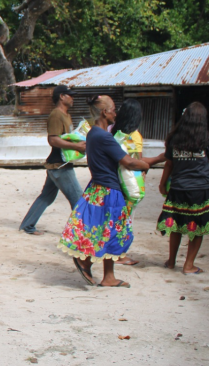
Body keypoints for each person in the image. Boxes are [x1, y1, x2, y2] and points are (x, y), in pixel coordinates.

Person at [59, 95, 149, 288]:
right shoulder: (104, 137)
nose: (116, 113)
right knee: (113, 232)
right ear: (104, 112)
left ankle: (107, 275)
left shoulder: (93, 133)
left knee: (104, 231)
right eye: (113, 109)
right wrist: (146, 163)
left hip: (98, 188)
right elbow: (128, 161)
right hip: (109, 191)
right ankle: (87, 263)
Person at [157, 102, 209, 275]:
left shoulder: (175, 139)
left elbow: (169, 164)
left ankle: (171, 261)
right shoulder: (206, 139)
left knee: (176, 224)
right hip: (200, 189)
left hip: (178, 188)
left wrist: (162, 183)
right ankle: (189, 265)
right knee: (197, 227)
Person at [19, 84, 86, 235]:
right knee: (79, 200)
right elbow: (53, 140)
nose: (73, 98)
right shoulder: (56, 114)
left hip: (56, 165)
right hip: (60, 166)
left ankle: (27, 225)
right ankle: (79, 234)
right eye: (70, 95)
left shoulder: (66, 115)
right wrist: (77, 147)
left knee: (46, 197)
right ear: (62, 96)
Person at [108, 99, 165, 266]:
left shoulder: (113, 131)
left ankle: (114, 251)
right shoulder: (134, 135)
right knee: (127, 219)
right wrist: (156, 160)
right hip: (130, 184)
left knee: (116, 217)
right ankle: (120, 254)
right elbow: (137, 161)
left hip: (114, 180)